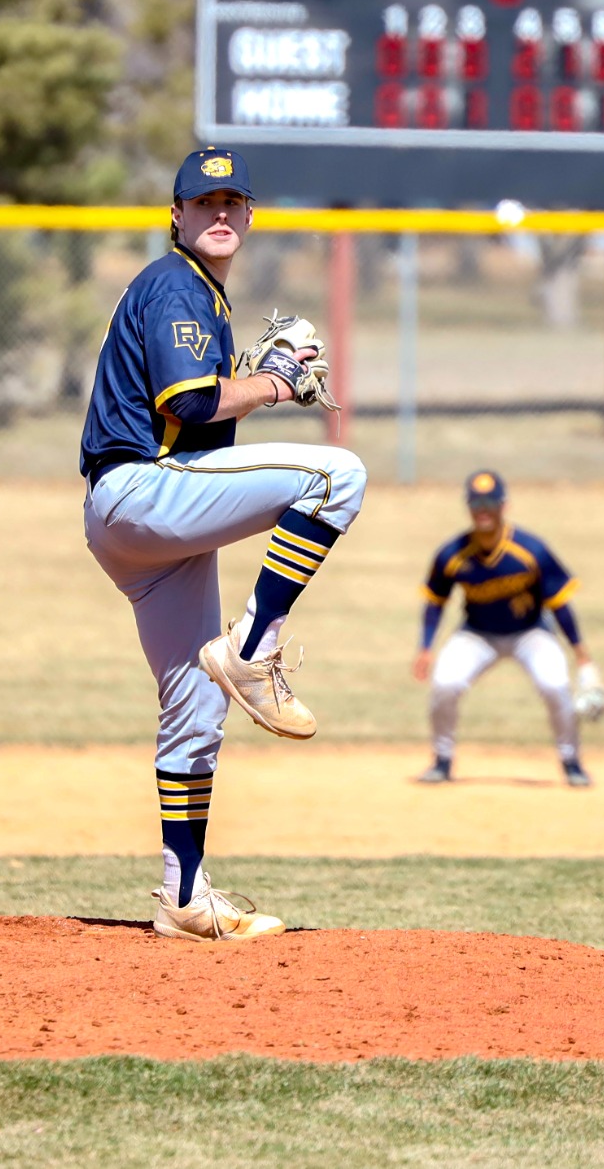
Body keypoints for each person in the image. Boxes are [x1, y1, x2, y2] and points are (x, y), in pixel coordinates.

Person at [81, 146, 367, 942]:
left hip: (139, 518)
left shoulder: (199, 292)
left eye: (230, 202)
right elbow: (194, 400)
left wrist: (260, 373)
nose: (217, 214)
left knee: (194, 707)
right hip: (147, 489)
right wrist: (277, 381)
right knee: (337, 477)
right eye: (201, 202)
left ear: (247, 216)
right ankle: (253, 644)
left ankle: (184, 894)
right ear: (175, 216)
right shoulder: (177, 282)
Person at [411, 470, 604, 787]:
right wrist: (425, 647)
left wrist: (582, 656)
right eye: (476, 503)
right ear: (468, 506)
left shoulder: (531, 551)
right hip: (477, 633)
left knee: (555, 685)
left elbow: (560, 605)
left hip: (531, 633)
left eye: (490, 502)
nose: (483, 510)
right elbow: (435, 601)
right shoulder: (453, 554)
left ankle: (572, 763)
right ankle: (442, 761)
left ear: (505, 505)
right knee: (445, 683)